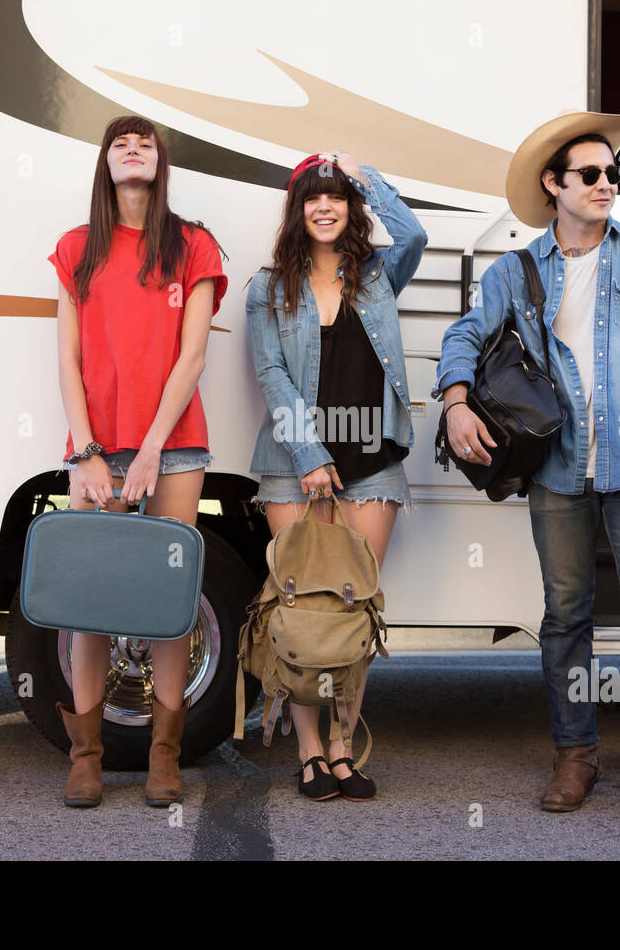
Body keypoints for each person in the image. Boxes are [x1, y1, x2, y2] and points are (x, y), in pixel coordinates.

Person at [433, 111, 620, 827]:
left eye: (610, 172)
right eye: (589, 174)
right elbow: (467, 329)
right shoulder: (517, 271)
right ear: (554, 185)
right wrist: (457, 399)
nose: (604, 183)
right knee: (565, 620)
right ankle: (575, 754)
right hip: (558, 467)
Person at [49, 115, 227, 808]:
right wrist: (90, 452)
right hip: (95, 448)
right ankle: (86, 756)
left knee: (167, 602)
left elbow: (194, 354)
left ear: (160, 162)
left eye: (145, 142)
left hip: (174, 444)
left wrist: (152, 445)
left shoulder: (193, 245)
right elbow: (66, 359)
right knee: (91, 601)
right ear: (105, 162)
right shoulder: (75, 250)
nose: (133, 149)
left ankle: (164, 755)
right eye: (120, 142)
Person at [245, 150, 427, 801]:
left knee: (351, 610)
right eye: (312, 196)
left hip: (372, 460)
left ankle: (346, 744)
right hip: (295, 464)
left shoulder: (377, 274)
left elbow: (415, 233)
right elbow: (271, 374)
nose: (324, 206)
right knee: (299, 611)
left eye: (337, 196)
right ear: (297, 210)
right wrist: (309, 455)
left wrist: (367, 174)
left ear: (349, 209)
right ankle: (311, 750)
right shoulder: (267, 287)